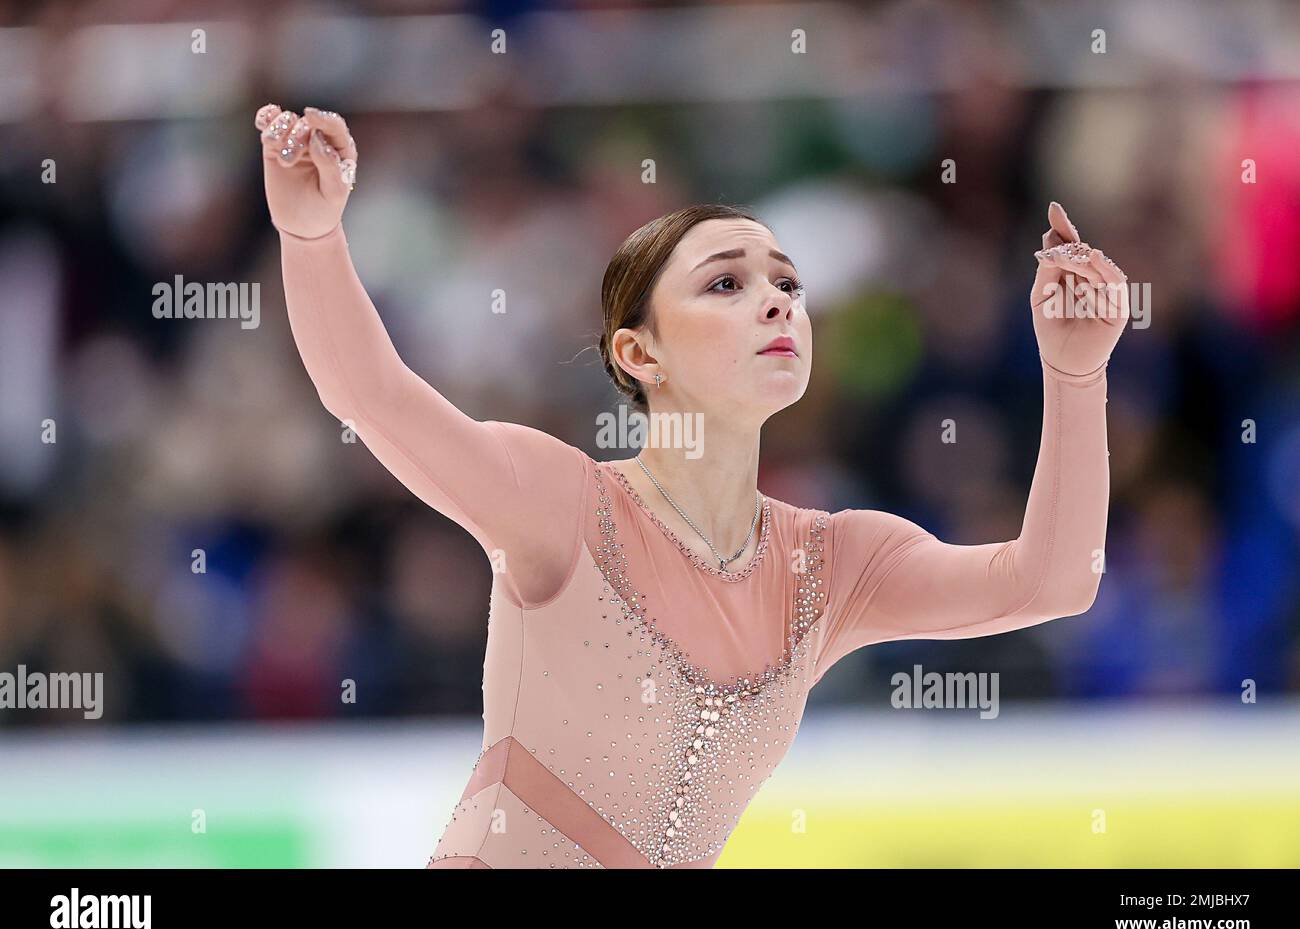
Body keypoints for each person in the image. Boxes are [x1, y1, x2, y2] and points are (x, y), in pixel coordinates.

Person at [256, 103, 1128, 869]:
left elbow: (1053, 579)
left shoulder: (836, 564)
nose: (778, 301)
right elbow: (367, 393)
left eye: (787, 282)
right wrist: (311, 234)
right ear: (640, 353)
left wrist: (1076, 375)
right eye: (727, 283)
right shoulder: (562, 505)